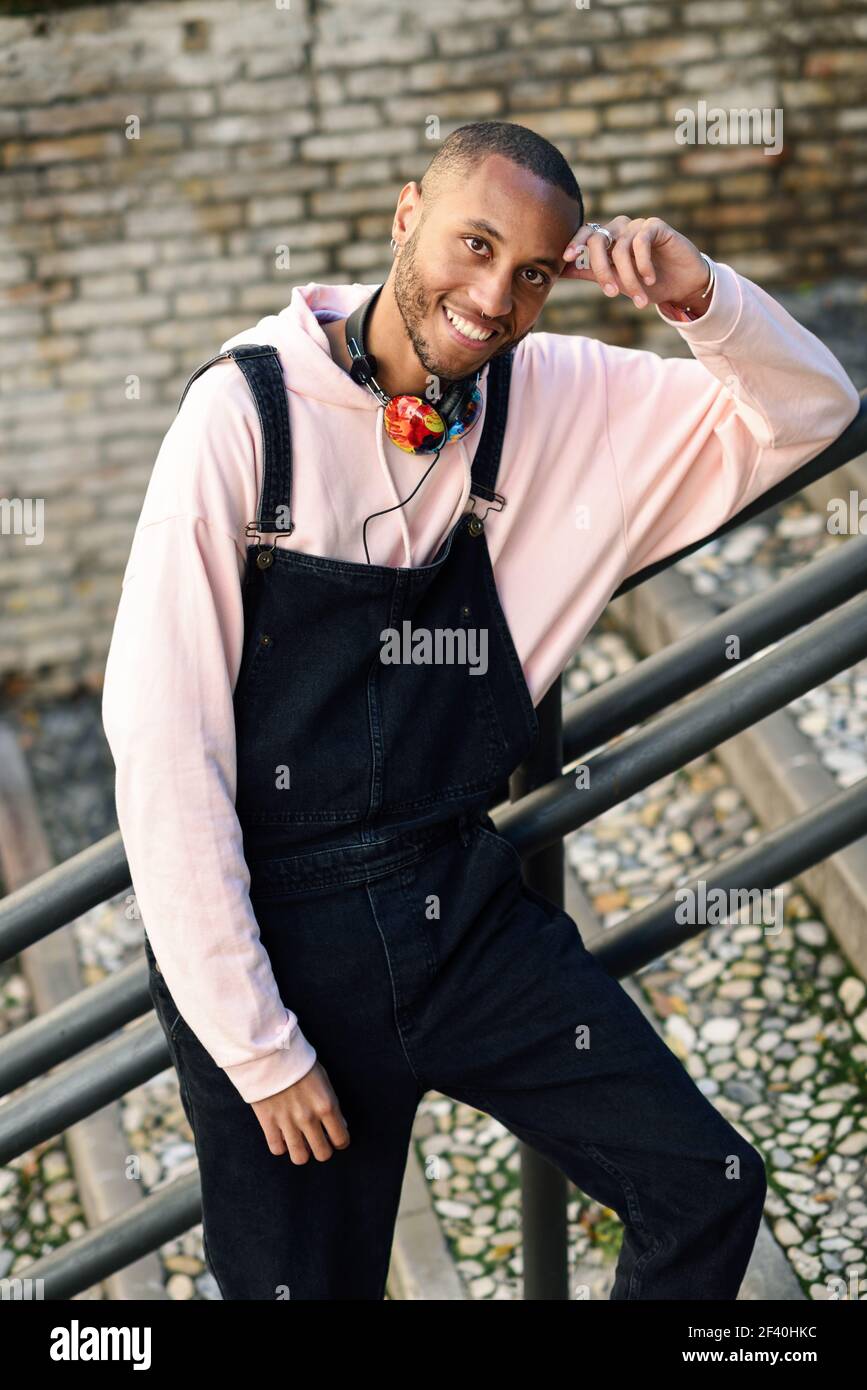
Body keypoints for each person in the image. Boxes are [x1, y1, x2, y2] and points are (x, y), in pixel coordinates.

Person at [101, 120, 860, 1300]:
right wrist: (256, 1045)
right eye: (473, 243)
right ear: (407, 216)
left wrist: (701, 296)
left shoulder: (555, 394)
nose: (494, 294)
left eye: (533, 273)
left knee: (702, 1187)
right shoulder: (243, 415)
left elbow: (812, 411)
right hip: (280, 939)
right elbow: (162, 746)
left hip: (454, 903)